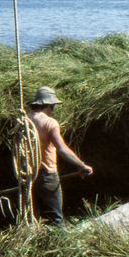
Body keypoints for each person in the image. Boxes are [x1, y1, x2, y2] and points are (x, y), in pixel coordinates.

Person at [27, 86, 93, 225]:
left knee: (36, 218)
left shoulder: (25, 120)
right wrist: (82, 165)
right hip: (47, 176)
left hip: (29, 176)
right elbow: (62, 149)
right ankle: (60, 245)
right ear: (50, 105)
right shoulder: (49, 123)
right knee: (55, 219)